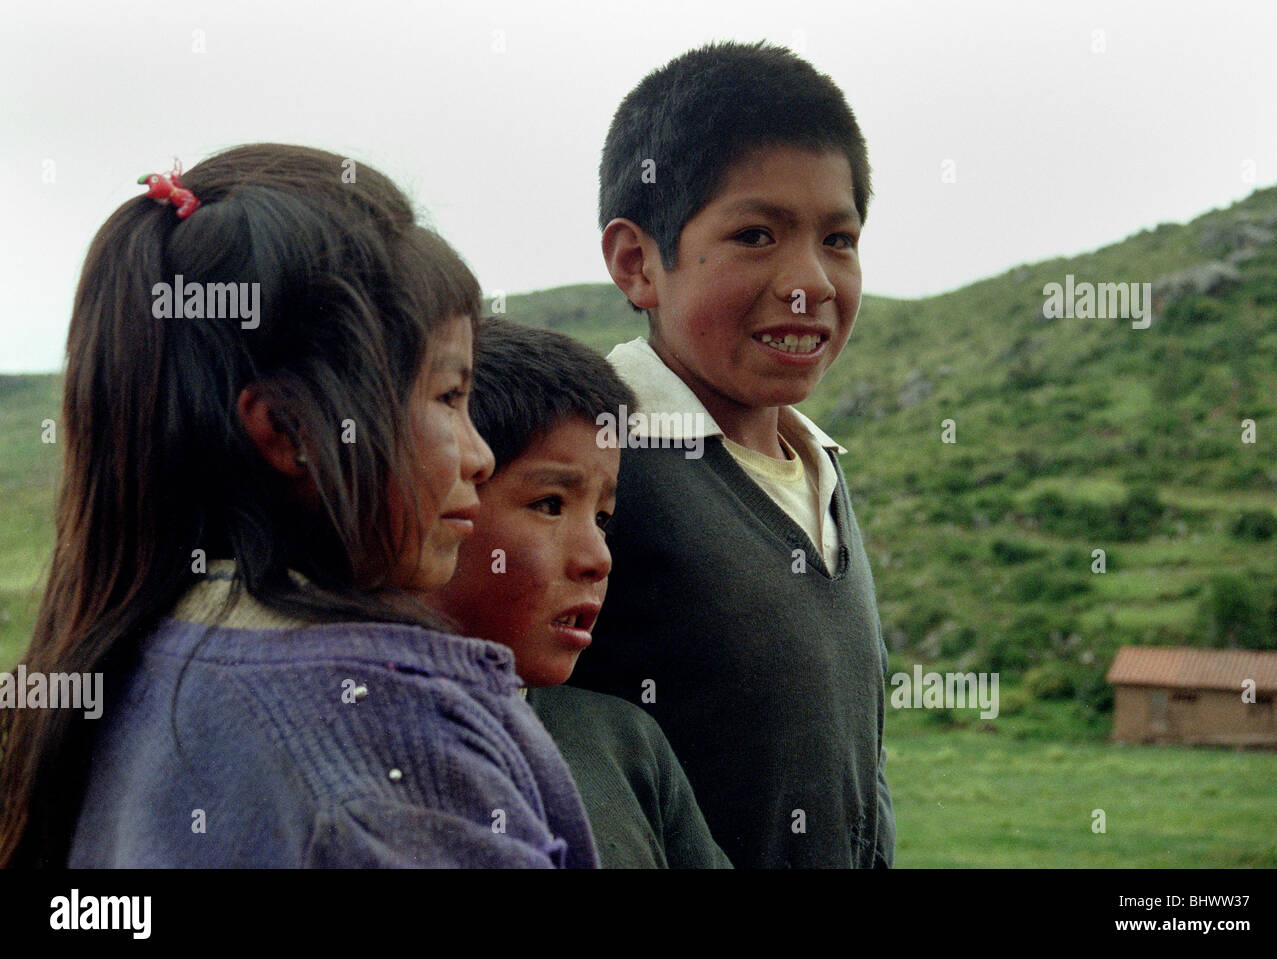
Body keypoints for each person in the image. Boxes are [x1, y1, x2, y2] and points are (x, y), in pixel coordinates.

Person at [0, 144, 597, 869]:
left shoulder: (135, 659)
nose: (480, 456)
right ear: (289, 430)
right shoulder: (394, 744)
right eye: (447, 396)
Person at [568, 41, 897, 868]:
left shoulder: (818, 470)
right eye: (756, 234)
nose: (810, 282)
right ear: (637, 262)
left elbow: (858, 769)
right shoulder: (593, 470)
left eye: (839, 238)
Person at [430, 318, 731, 868]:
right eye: (549, 505)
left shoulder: (624, 745)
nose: (598, 558)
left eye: (603, 517)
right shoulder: (363, 748)